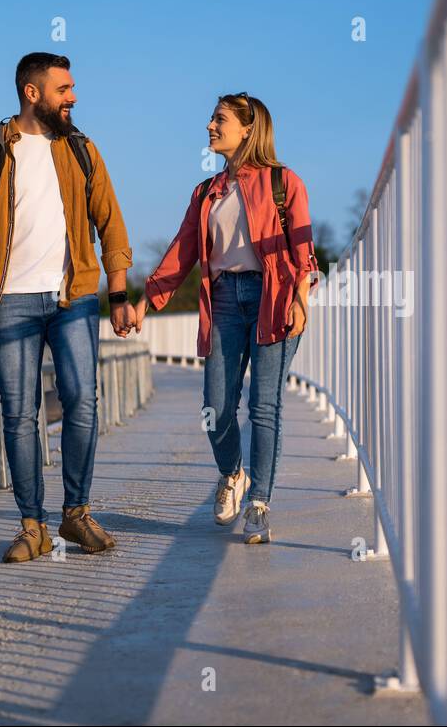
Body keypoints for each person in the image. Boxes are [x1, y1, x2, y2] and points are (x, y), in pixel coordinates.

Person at [0, 52, 136, 563]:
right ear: (32, 92)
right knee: (20, 415)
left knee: (82, 402)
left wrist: (117, 294)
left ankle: (76, 514)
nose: (72, 97)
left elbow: (110, 222)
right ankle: (32, 526)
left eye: (72, 89)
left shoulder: (82, 150)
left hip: (72, 296)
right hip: (6, 300)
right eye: (63, 89)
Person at [136, 92, 318, 544]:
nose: (210, 127)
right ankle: (232, 475)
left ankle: (259, 504)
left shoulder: (283, 182)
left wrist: (300, 297)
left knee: (264, 404)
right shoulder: (206, 193)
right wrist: (147, 300)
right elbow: (182, 251)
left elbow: (302, 249)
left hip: (271, 296)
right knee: (215, 408)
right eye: (212, 119)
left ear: (248, 128)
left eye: (219, 119)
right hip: (222, 301)